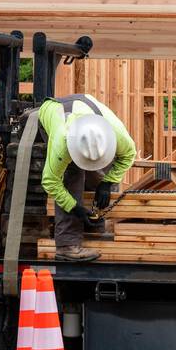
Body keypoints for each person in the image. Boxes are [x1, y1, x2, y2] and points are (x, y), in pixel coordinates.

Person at [39, 94, 137, 262]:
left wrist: (107, 183)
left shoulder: (115, 134)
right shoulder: (62, 142)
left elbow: (129, 155)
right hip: (51, 112)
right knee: (73, 174)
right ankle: (67, 245)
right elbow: (50, 181)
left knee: (102, 173)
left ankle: (95, 228)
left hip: (82, 109)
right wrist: (73, 207)